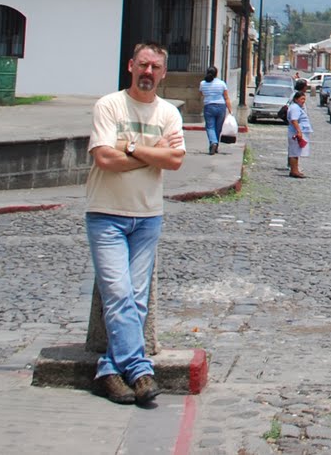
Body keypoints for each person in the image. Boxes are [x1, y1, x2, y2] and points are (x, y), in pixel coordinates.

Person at [85, 41, 186, 405]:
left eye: (155, 67)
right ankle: (140, 371)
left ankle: (110, 371)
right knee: (118, 293)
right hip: (106, 214)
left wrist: (128, 147)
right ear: (130, 66)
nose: (148, 72)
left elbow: (174, 160)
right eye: (143, 65)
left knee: (136, 298)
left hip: (147, 217)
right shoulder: (109, 106)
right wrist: (150, 153)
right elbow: (104, 160)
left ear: (163, 73)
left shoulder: (168, 114)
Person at [198, 66, 230, 155]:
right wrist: (230, 109)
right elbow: (226, 97)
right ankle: (215, 145)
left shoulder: (203, 83)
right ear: (216, 73)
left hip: (208, 106)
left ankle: (213, 143)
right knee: (218, 128)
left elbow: (201, 94)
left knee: (210, 127)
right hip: (221, 106)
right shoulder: (222, 83)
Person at [287, 79, 313, 178]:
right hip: (296, 132)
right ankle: (294, 170)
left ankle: (295, 169)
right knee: (294, 152)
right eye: (302, 99)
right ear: (296, 99)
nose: (303, 101)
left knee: (297, 152)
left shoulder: (296, 106)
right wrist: (299, 132)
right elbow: (294, 120)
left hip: (298, 131)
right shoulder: (294, 107)